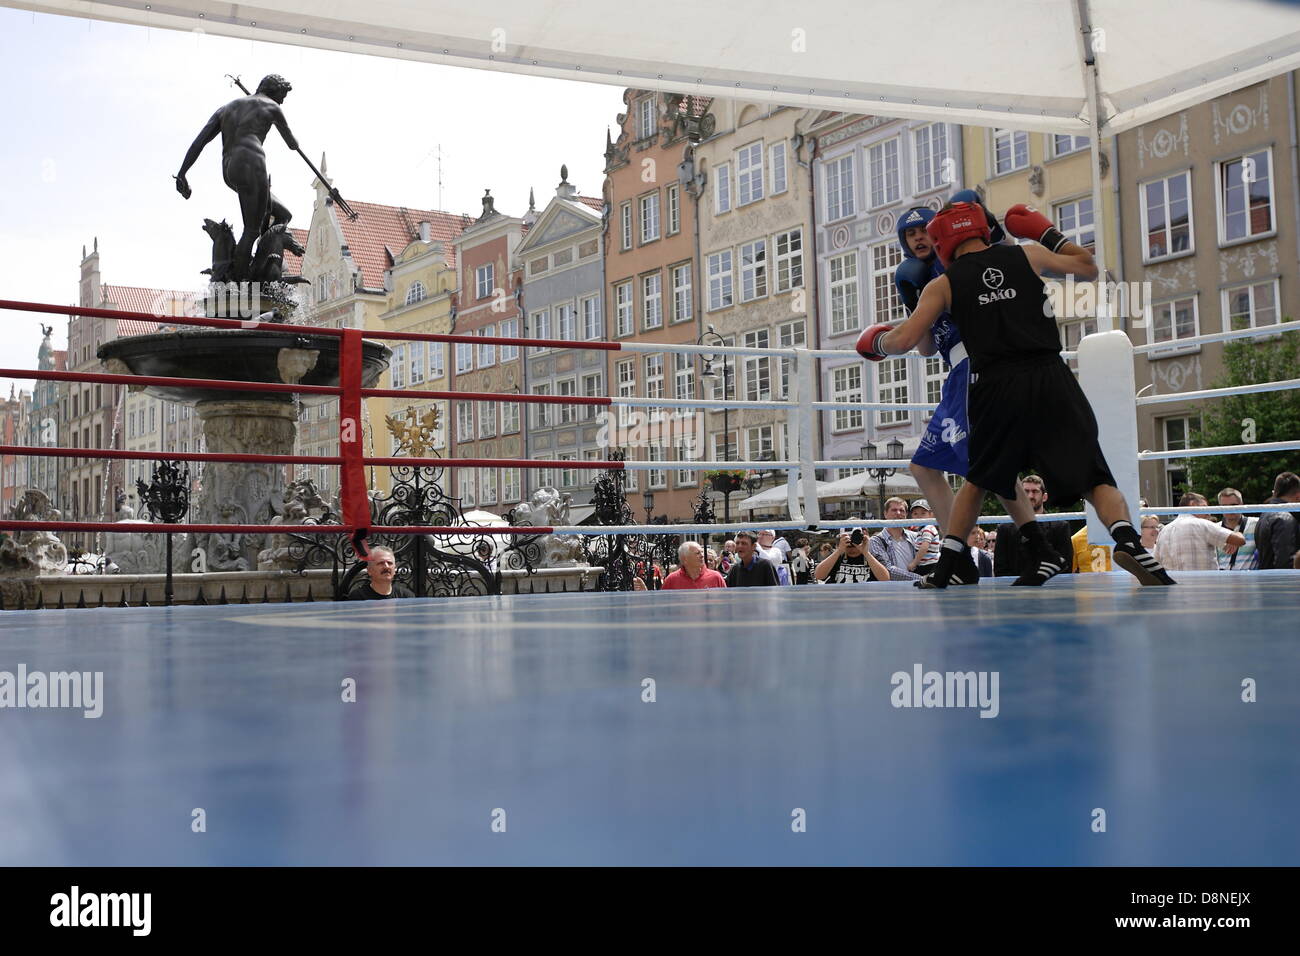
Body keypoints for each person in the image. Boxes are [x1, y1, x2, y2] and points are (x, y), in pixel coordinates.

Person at [859, 199, 1173, 587]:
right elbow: (1088, 268)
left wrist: (878, 343)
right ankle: (1127, 538)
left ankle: (949, 567)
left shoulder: (944, 283)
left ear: (941, 240)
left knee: (980, 476)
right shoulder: (1026, 254)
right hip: (1051, 376)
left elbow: (906, 340)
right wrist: (1045, 232)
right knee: (1094, 475)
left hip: (994, 383)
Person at [891, 192, 1006, 539]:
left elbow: (997, 255)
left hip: (976, 366)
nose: (918, 238)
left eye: (923, 230)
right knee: (924, 466)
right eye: (910, 235)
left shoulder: (955, 265)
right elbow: (925, 348)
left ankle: (973, 545)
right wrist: (913, 302)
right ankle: (958, 544)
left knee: (988, 462)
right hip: (957, 375)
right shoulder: (916, 279)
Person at [175, 74, 300, 279]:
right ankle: (244, 282)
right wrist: (294, 140)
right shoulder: (273, 107)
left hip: (229, 168)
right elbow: (292, 144)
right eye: (283, 95)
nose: (283, 100)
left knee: (282, 214)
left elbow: (200, 142)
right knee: (251, 230)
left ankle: (259, 262)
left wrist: (183, 173)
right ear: (275, 90)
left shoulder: (226, 108)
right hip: (251, 162)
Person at [992, 476, 1073, 579]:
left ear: (1044, 497)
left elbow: (1066, 568)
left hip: (1051, 590)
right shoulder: (1005, 528)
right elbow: (1000, 569)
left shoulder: (1060, 527)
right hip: (1014, 590)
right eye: (1026, 491)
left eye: (1035, 491)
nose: (1030, 496)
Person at [1154, 493, 1245, 571]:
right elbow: (1240, 540)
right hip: (1203, 587)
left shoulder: (1163, 532)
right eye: (1204, 507)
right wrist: (1238, 533)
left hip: (1173, 588)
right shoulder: (1202, 524)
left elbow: (1157, 563)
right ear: (1193, 504)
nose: (1208, 513)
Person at [868, 497, 921, 581]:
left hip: (918, 589)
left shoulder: (916, 537)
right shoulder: (876, 541)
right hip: (892, 590)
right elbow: (889, 571)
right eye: (894, 510)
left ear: (906, 515)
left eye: (902, 510)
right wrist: (921, 579)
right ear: (885, 514)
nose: (898, 513)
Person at [1256, 471, 1300, 569]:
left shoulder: (1264, 514)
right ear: (1298, 496)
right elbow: (1285, 562)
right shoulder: (1285, 519)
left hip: (1268, 580)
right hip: (1282, 582)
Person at [815, 528, 891, 584]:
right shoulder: (836, 557)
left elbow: (885, 579)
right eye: (848, 538)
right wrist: (839, 550)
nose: (851, 542)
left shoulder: (873, 556)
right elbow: (819, 575)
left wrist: (866, 553)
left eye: (854, 537)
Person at [1215, 487, 1258, 571]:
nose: (1229, 509)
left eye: (1233, 505)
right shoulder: (1215, 529)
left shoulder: (1256, 524)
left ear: (1241, 504)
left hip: (1250, 582)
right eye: (1224, 506)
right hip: (1223, 581)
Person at [347, 546, 414, 600]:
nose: (386, 566)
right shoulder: (358, 598)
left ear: (394, 569)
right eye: (381, 563)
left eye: (390, 563)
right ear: (369, 570)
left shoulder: (406, 597)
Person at [660, 541, 727, 589]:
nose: (702, 555)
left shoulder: (716, 577)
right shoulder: (671, 580)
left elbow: (726, 603)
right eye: (697, 553)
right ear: (685, 559)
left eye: (702, 552)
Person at [908, 499, 941, 574]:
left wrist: (914, 563)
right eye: (915, 514)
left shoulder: (927, 528)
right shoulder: (922, 529)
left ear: (930, 515)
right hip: (926, 564)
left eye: (923, 513)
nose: (919, 516)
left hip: (929, 565)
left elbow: (924, 547)